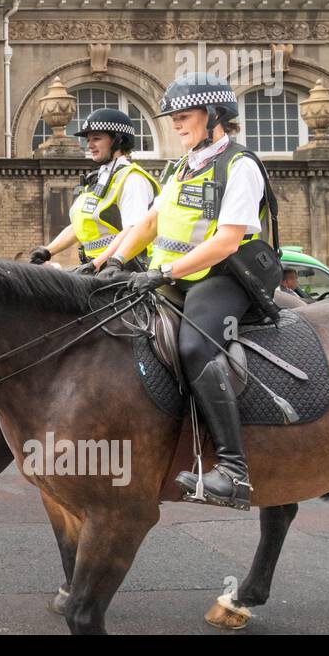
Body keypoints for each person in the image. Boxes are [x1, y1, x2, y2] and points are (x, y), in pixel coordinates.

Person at [105, 73, 276, 511]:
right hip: (173, 276)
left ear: (215, 116)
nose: (175, 126)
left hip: (220, 279)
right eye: (173, 118)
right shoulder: (181, 166)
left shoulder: (240, 166)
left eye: (183, 117)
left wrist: (162, 273)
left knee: (196, 347)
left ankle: (234, 471)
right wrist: (112, 263)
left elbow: (226, 241)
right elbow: (148, 224)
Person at [29, 108, 160, 273]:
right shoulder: (98, 178)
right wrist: (47, 251)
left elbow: (132, 230)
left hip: (125, 270)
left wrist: (96, 264)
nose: (89, 145)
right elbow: (78, 227)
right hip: (97, 269)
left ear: (118, 141)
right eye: (88, 140)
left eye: (96, 139)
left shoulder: (133, 180)